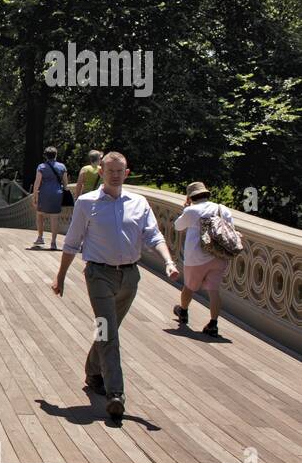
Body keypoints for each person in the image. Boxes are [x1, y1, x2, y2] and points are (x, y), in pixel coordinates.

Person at [52, 152, 180, 421]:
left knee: (108, 329)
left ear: (127, 173)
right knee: (108, 332)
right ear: (100, 171)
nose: (114, 174)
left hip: (130, 277)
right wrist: (61, 276)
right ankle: (116, 395)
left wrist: (168, 262)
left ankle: (93, 371)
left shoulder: (139, 202)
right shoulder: (87, 203)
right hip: (98, 274)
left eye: (119, 171)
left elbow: (153, 235)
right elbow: (73, 241)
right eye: (109, 170)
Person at [173, 182, 235, 337]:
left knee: (189, 287)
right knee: (214, 291)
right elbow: (231, 230)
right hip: (219, 257)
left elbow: (177, 226)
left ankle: (184, 311)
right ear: (206, 194)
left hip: (196, 258)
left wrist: (186, 208)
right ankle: (213, 324)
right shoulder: (223, 209)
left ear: (190, 197)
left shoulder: (191, 210)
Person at [31, 146, 68, 249]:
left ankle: (40, 237)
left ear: (45, 156)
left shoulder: (41, 167)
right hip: (57, 194)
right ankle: (53, 242)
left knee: (39, 215)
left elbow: (37, 183)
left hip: (44, 193)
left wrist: (34, 196)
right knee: (54, 218)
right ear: (56, 155)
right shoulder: (62, 167)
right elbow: (65, 184)